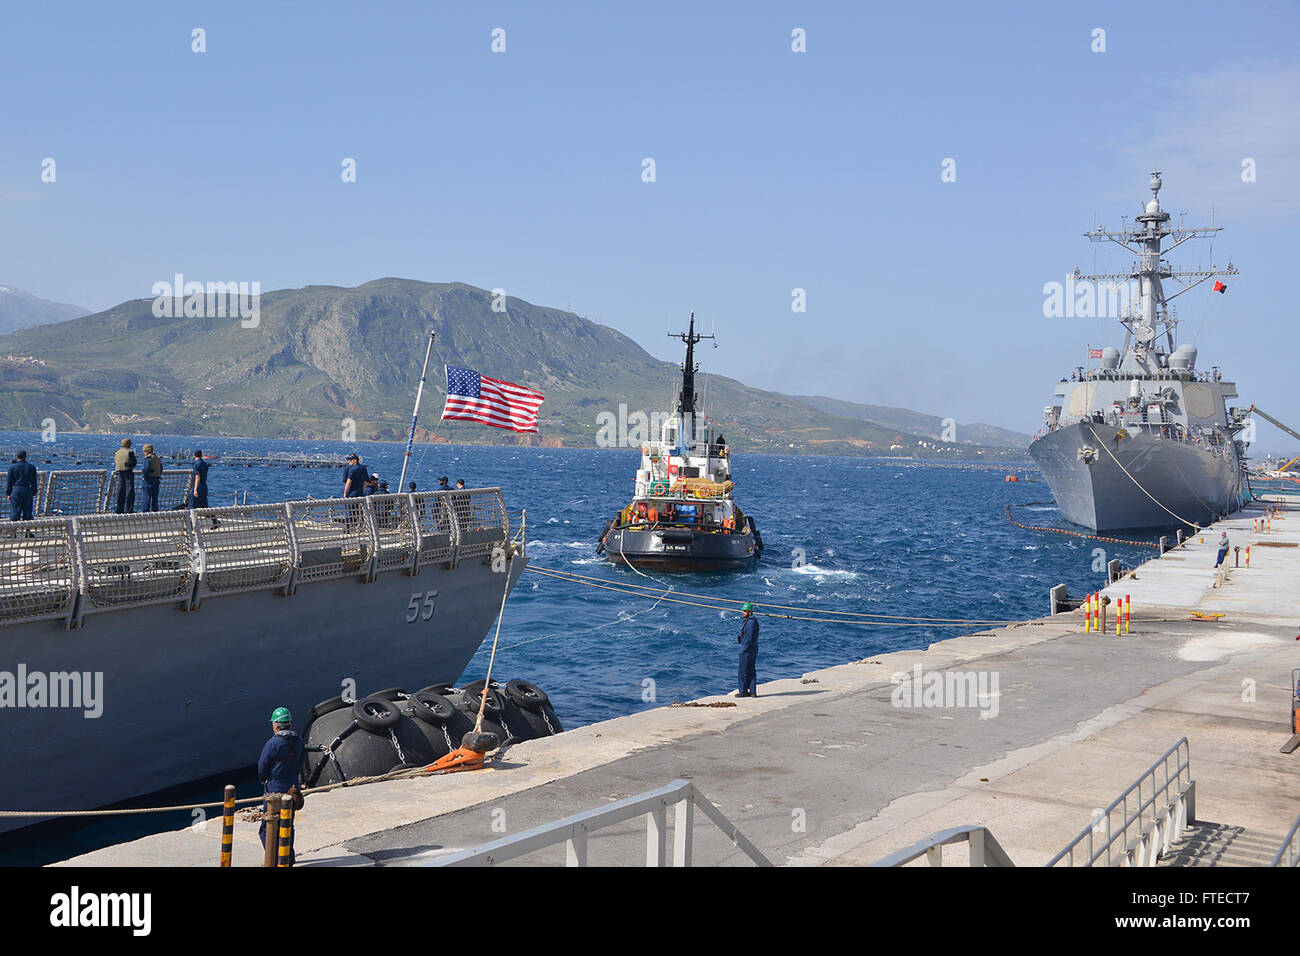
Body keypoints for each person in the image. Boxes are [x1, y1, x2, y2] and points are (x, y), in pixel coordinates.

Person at [257, 706, 306, 866]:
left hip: (274, 791)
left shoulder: (273, 743)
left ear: (275, 726)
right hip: (292, 790)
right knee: (287, 826)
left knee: (267, 828)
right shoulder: (299, 741)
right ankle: (288, 860)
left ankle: (275, 859)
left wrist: (265, 779)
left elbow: (262, 768)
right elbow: (301, 763)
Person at [6, 450, 38, 522]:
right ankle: (28, 532)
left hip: (16, 490)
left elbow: (9, 482)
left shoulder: (12, 467)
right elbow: (34, 482)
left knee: (16, 512)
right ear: (25, 457)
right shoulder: (31, 467)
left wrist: (8, 493)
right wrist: (33, 492)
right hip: (27, 490)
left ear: (17, 457)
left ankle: (13, 531)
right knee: (28, 513)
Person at [736, 603, 759, 697]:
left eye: (745, 611)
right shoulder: (751, 621)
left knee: (743, 670)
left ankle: (743, 691)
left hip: (747, 650)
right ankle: (752, 691)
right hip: (752, 649)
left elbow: (749, 638)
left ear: (750, 612)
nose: (743, 612)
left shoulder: (750, 623)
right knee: (750, 670)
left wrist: (743, 650)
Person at [113, 438, 137, 514]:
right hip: (128, 472)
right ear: (128, 444)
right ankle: (129, 510)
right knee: (129, 492)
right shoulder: (130, 452)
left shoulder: (116, 452)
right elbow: (134, 463)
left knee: (120, 491)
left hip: (120, 473)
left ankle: (119, 509)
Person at [139, 443, 162, 513]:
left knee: (147, 497)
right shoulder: (157, 458)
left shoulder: (148, 458)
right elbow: (161, 469)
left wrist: (144, 476)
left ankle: (145, 513)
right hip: (156, 479)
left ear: (147, 451)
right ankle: (155, 512)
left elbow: (146, 468)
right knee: (155, 498)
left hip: (149, 480)